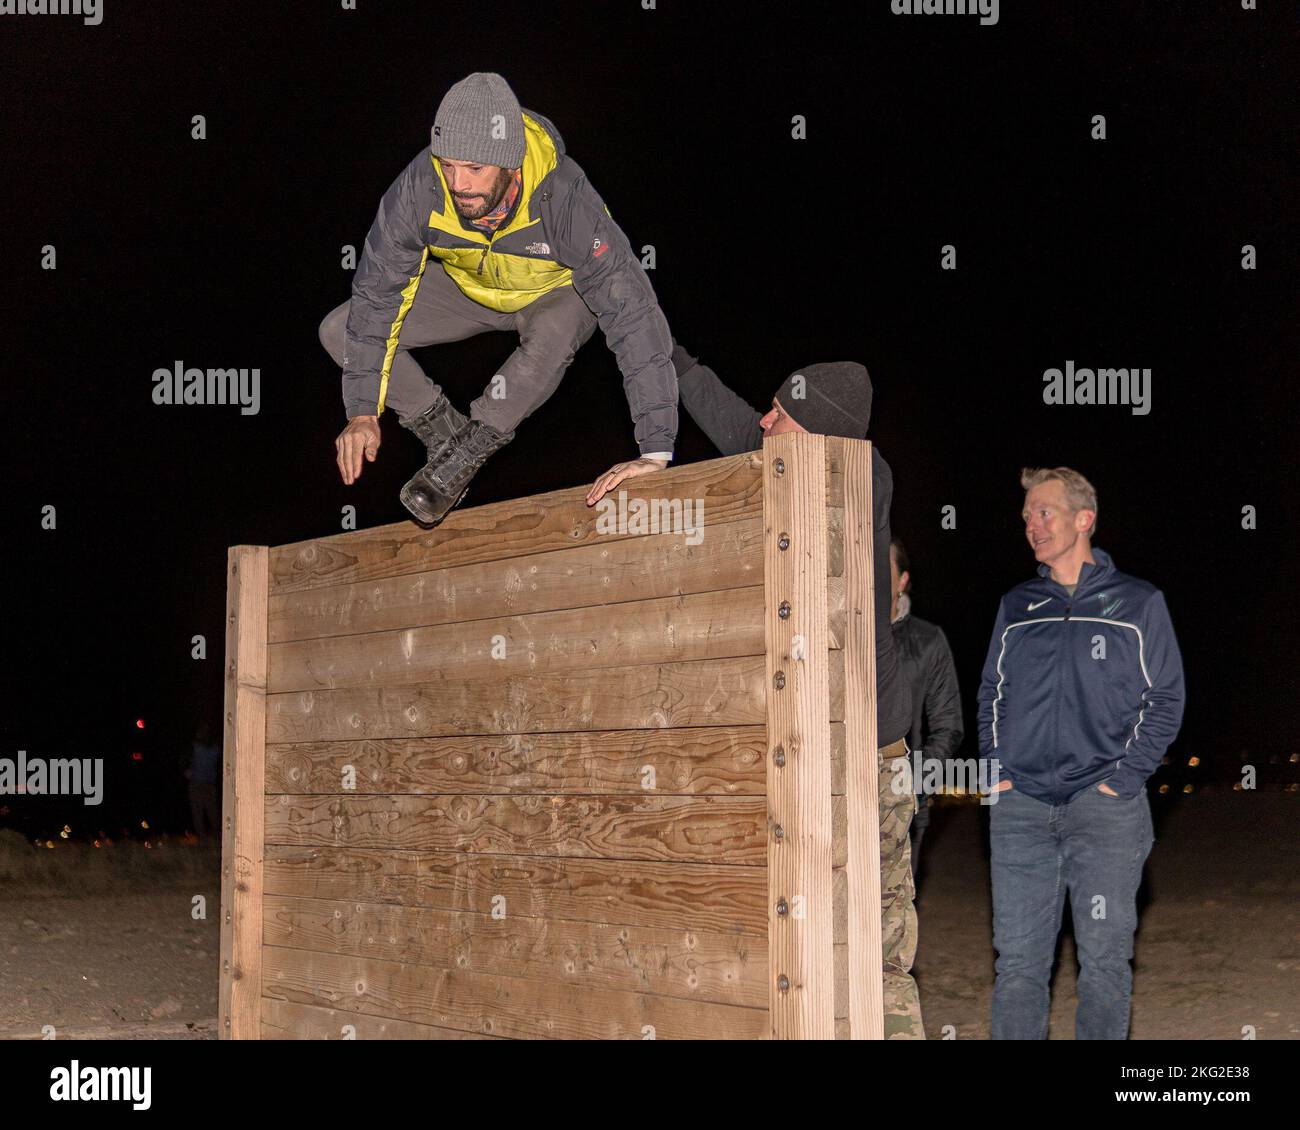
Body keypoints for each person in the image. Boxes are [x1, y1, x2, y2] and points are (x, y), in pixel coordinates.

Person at [618, 342, 922, 1038]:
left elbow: (846, 454)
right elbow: (724, 412)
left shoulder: (862, 481)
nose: (762, 423)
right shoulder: (789, 477)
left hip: (870, 756)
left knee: (873, 954)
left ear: (818, 433)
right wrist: (657, 343)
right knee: (798, 953)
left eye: (781, 415)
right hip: (810, 751)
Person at [322, 72, 678, 526]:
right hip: (471, 289)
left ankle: (475, 442)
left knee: (556, 327)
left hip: (553, 293)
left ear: (510, 163)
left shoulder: (563, 200)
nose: (459, 185)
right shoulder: (419, 191)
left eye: (475, 169)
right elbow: (376, 298)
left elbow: (633, 316)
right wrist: (362, 412)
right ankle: (443, 431)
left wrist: (655, 450)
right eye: (448, 166)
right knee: (339, 330)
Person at [976, 466, 1185, 1039]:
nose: (1032, 526)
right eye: (1026, 517)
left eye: (1044, 512)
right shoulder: (1019, 605)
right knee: (1017, 966)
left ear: (1083, 519)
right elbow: (992, 690)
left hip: (1105, 811)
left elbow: (1165, 698)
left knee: (1103, 966)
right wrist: (996, 769)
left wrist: (1122, 780)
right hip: (1021, 810)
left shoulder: (1138, 603)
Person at [888, 538, 963, 888]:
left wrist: (912, 785)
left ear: (902, 580)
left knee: (893, 917)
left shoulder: (927, 640)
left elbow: (948, 726)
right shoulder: (837, 633)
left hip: (902, 806)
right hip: (836, 802)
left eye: (882, 567)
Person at [187, 718, 220, 848]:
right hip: (210, 784)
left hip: (197, 784)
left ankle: (203, 839)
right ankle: (217, 838)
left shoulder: (195, 747)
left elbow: (186, 761)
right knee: (212, 812)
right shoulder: (215, 749)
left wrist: (188, 771)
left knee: (198, 813)